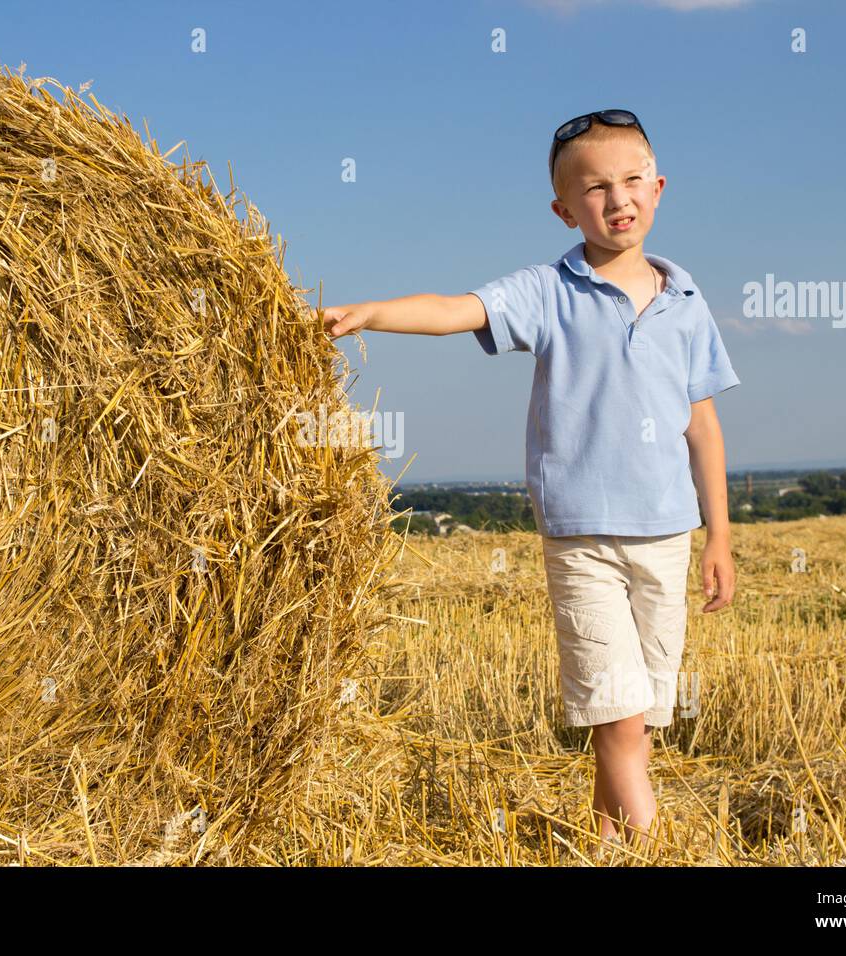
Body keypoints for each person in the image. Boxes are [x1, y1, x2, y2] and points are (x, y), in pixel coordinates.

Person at [321, 109, 741, 856]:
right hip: (582, 536)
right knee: (615, 717)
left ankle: (605, 844)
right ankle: (657, 853)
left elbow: (701, 426)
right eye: (596, 188)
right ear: (564, 208)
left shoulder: (686, 299)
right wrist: (372, 313)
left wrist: (721, 536)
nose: (619, 199)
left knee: (637, 718)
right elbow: (458, 310)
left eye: (632, 181)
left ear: (659, 186)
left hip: (669, 535)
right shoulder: (548, 291)